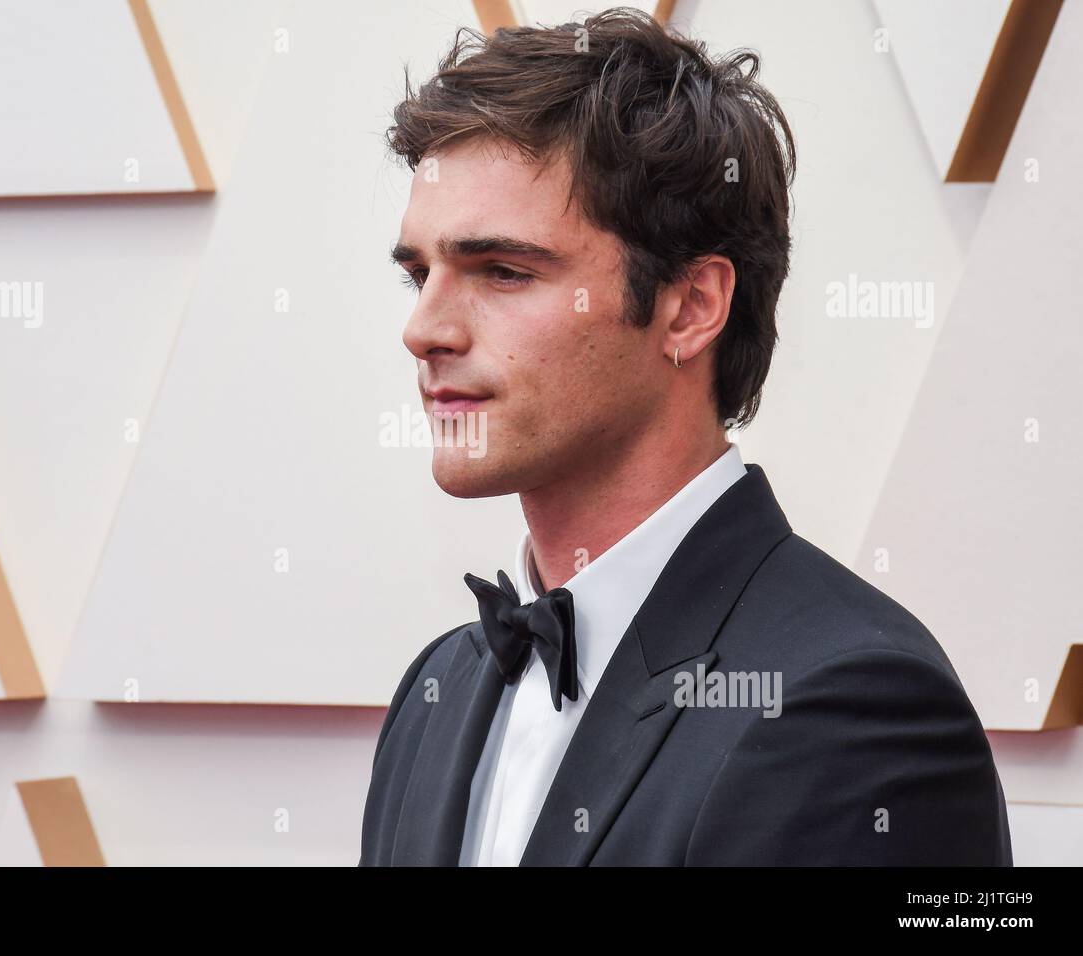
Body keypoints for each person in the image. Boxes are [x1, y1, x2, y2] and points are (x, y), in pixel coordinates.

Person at [360, 7, 1012, 866]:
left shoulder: (852, 703)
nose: (425, 328)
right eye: (420, 274)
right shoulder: (436, 692)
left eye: (505, 272)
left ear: (692, 306)